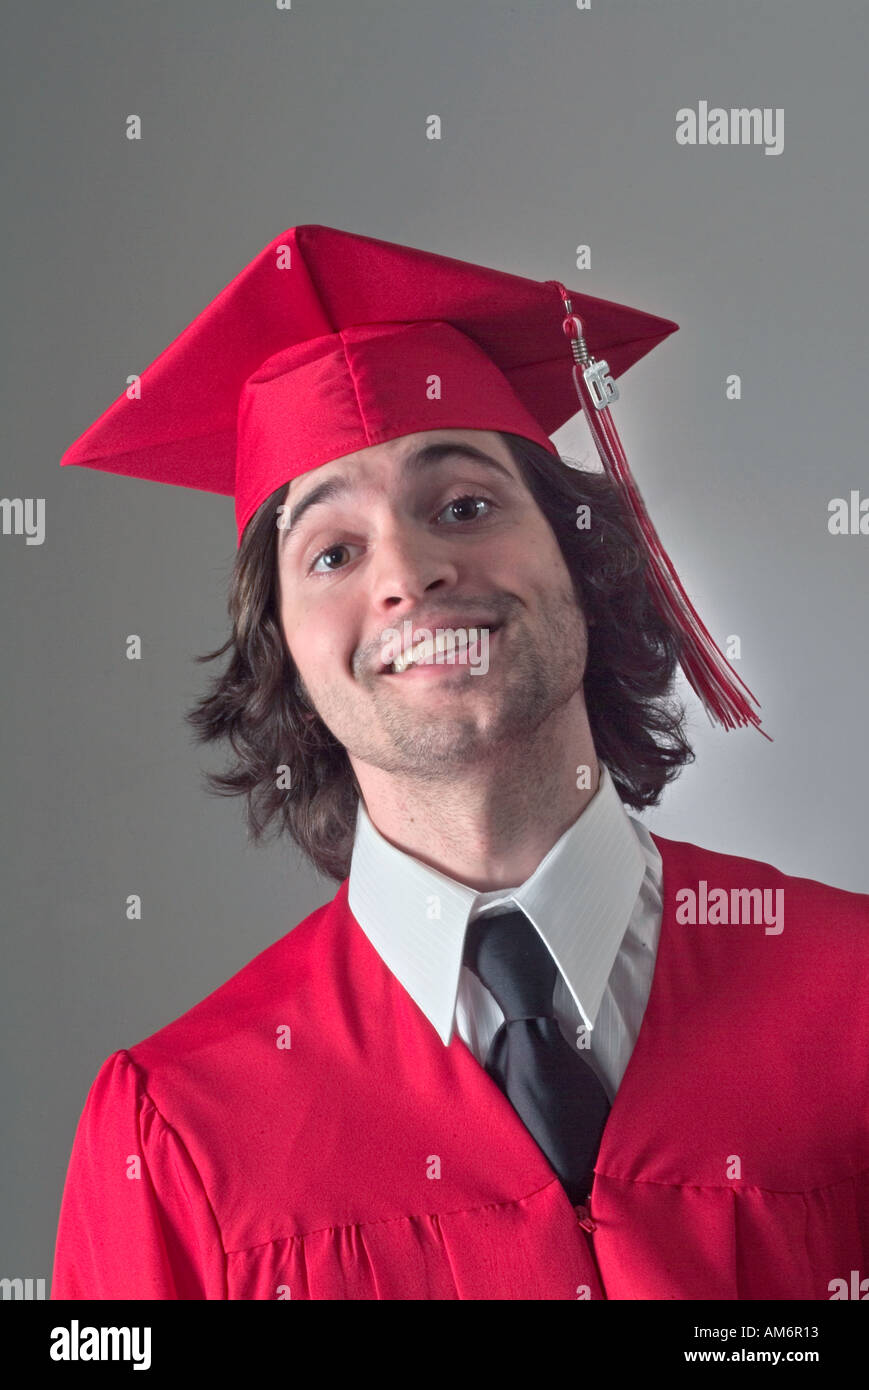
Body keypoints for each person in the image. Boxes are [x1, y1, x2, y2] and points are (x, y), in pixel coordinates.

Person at [51, 225, 868, 1300]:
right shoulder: (178, 1134)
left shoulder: (847, 996)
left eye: (464, 506)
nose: (411, 570)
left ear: (583, 556)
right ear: (285, 657)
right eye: (332, 552)